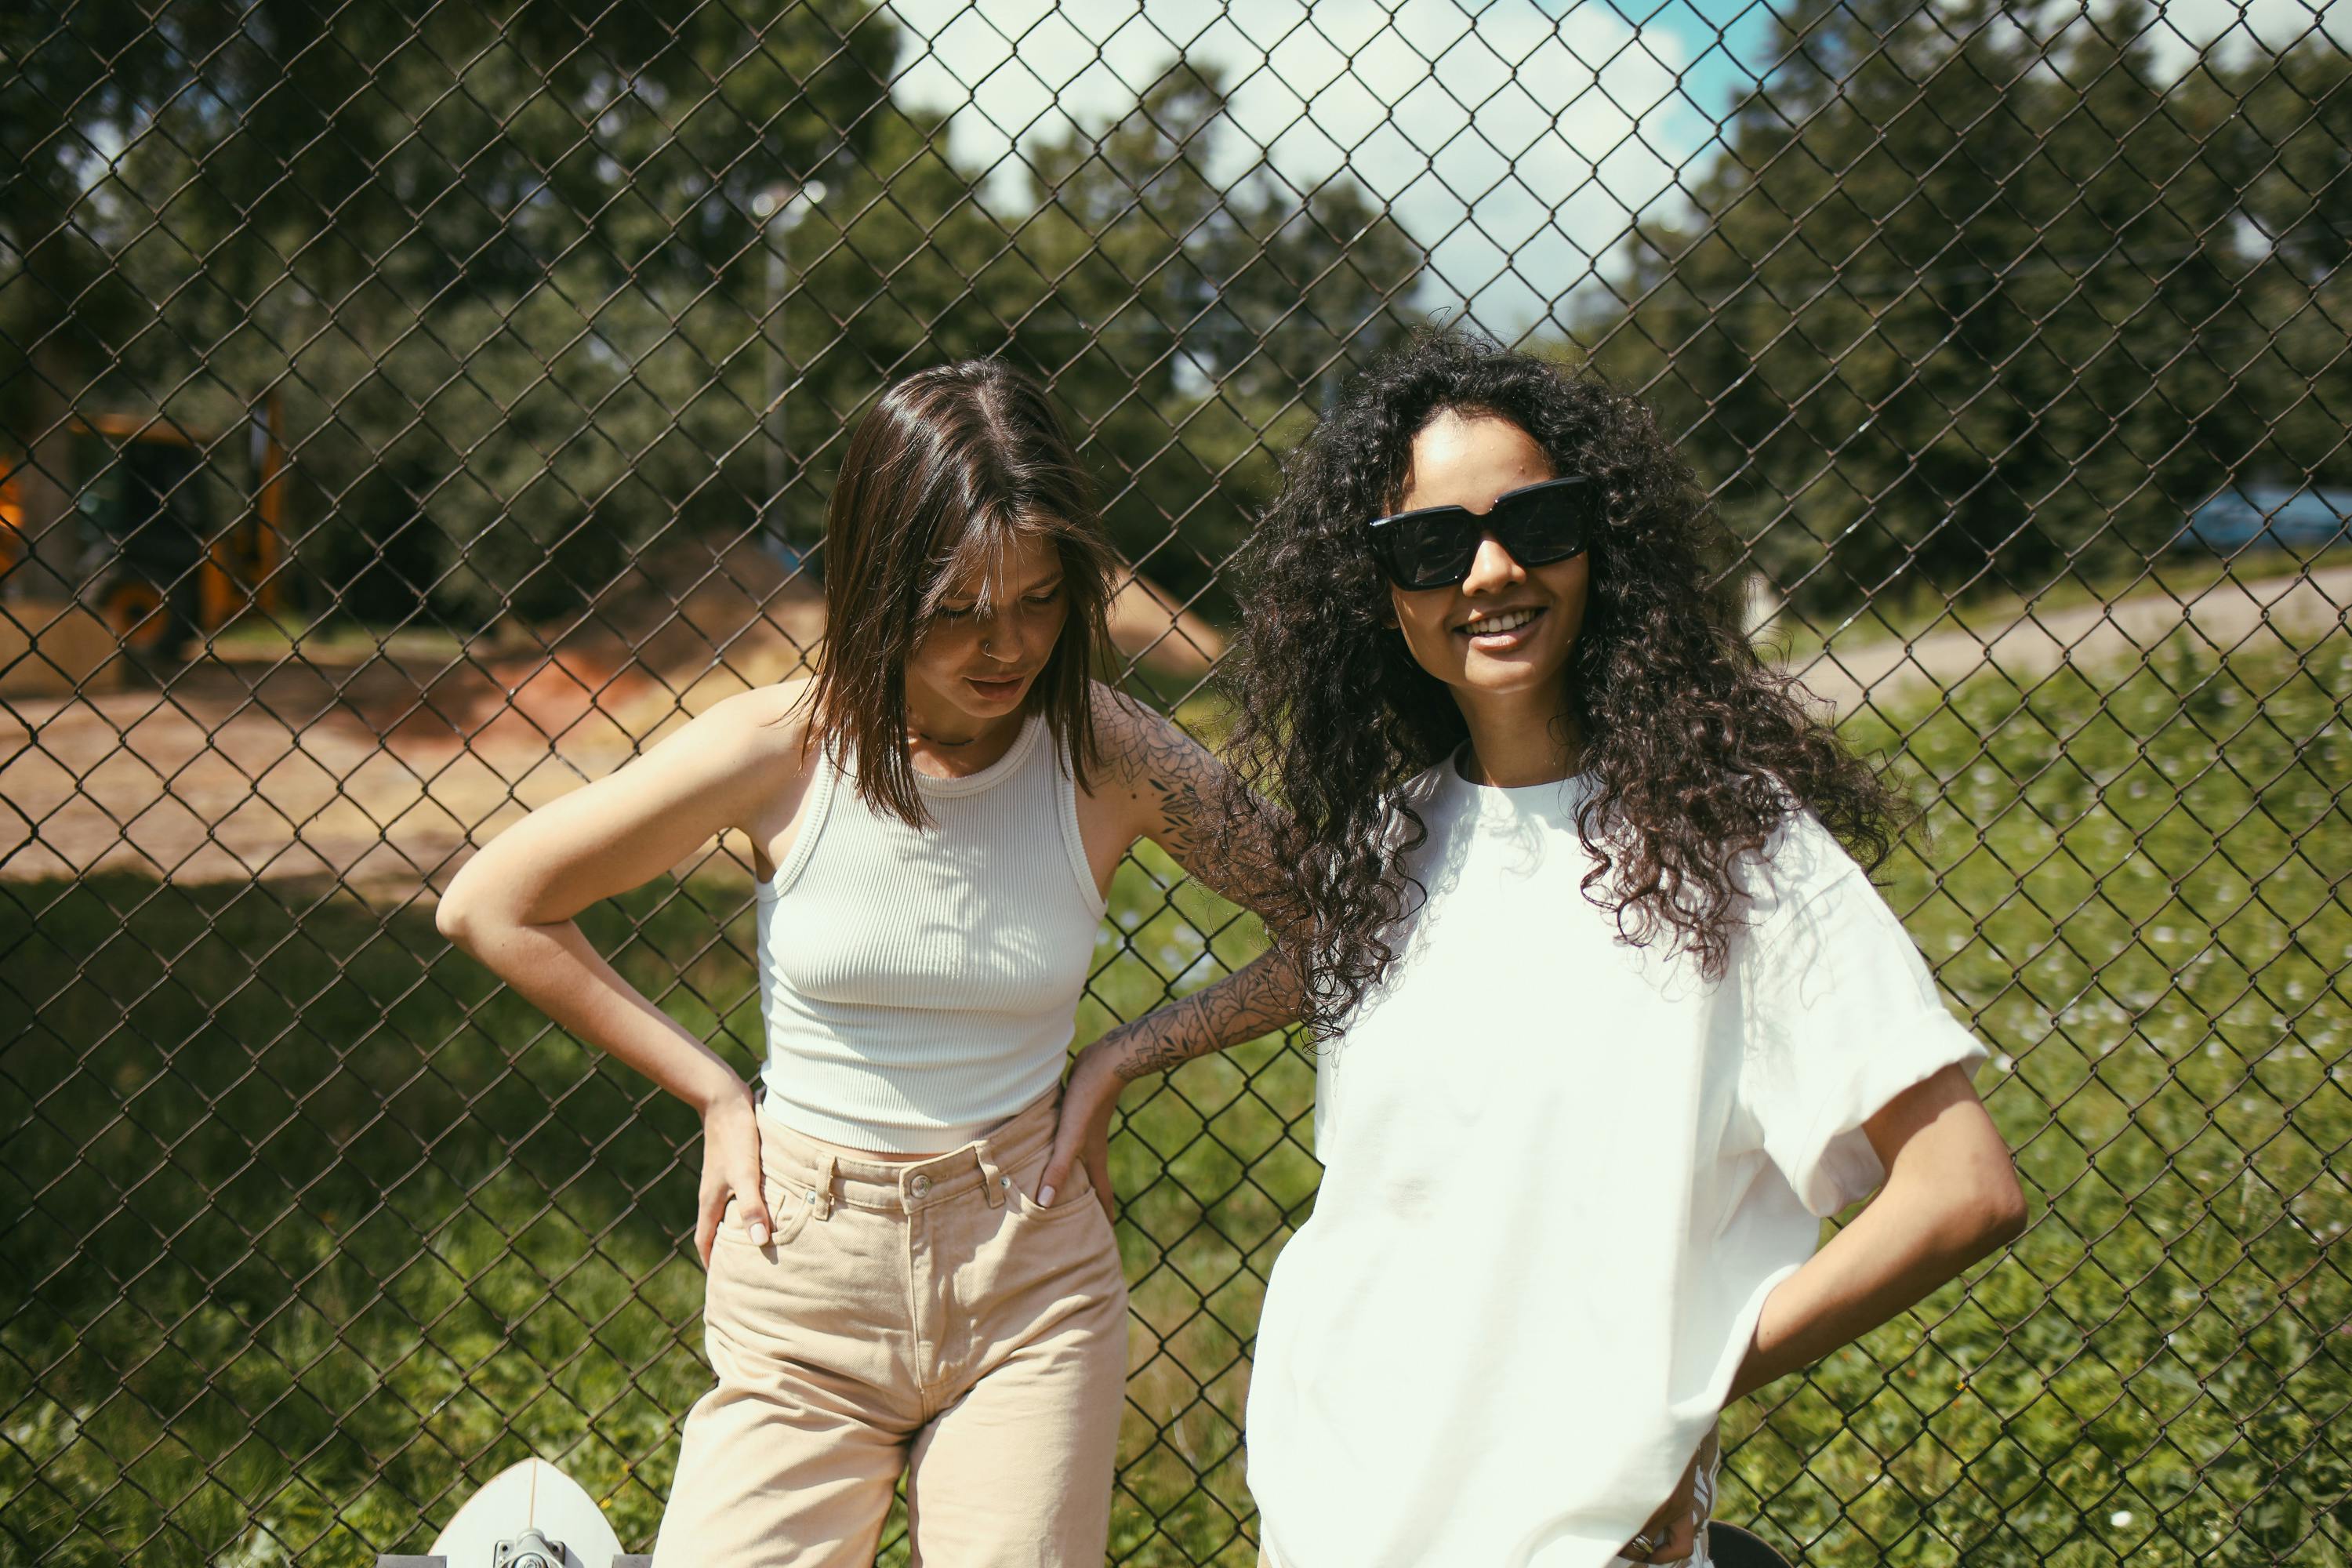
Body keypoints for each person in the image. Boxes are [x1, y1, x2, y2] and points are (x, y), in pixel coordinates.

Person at [436, 358, 1296, 1567]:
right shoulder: (780, 746)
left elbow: (1335, 926)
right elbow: (494, 905)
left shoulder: (1107, 748)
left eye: (1041, 601)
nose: (1006, 647)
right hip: (803, 1276)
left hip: (1028, 1276)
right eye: (957, 609)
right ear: (881, 582)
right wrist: (716, 1091)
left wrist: (1119, 1060)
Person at [1213, 329, 2030, 1568]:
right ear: (1376, 594)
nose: (1489, 570)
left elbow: (1963, 1189)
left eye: (1535, 523)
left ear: (1602, 541)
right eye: (1430, 546)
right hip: (1335, 1518)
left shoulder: (1735, 843)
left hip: (1579, 1537)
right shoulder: (1383, 849)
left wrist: (1665, 1403)